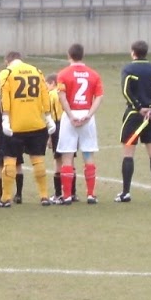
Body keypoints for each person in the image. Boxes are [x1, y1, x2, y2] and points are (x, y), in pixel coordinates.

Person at [0, 50, 56, 207]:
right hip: (37, 123)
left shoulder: (7, 73)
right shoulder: (37, 71)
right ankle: (44, 196)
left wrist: (5, 119)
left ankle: (6, 197)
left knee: (10, 160)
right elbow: (45, 94)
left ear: (7, 60)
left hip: (16, 125)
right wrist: (48, 117)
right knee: (38, 160)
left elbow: (5, 98)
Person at [115, 41, 151, 202]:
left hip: (134, 116)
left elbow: (126, 90)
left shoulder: (129, 69)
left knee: (128, 153)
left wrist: (138, 107)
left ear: (133, 52)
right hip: (150, 117)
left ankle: (126, 193)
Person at [53, 43, 104, 205]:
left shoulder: (63, 74)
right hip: (87, 116)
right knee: (88, 155)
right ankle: (90, 194)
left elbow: (62, 96)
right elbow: (99, 97)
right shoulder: (93, 74)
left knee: (67, 156)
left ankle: (67, 196)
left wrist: (70, 115)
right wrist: (89, 115)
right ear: (83, 55)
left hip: (71, 116)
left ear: (69, 55)